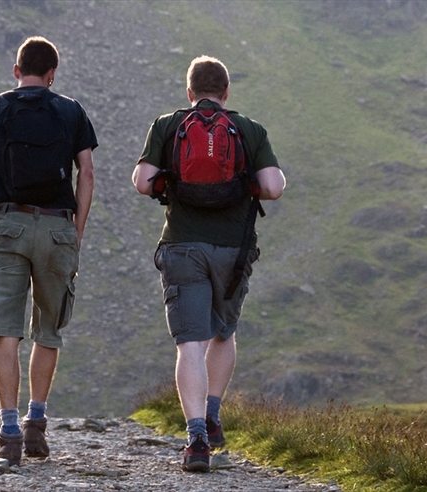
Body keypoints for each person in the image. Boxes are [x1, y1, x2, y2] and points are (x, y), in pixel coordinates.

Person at [131, 55, 285, 472]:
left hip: (182, 247)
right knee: (223, 331)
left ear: (189, 92)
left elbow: (143, 181)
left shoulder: (169, 125)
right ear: (227, 92)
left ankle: (196, 437)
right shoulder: (249, 130)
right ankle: (214, 414)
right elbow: (273, 187)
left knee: (189, 344)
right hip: (233, 253)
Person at [0, 36, 97, 466]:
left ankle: (8, 434)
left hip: (5, 224)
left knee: (5, 331)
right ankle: (36, 425)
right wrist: (75, 231)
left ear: (15, 70)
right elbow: (88, 174)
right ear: (52, 74)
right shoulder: (72, 111)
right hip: (58, 225)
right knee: (48, 329)